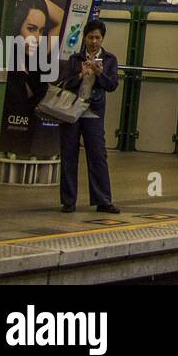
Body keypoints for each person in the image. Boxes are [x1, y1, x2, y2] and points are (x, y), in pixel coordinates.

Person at [58, 19, 120, 214]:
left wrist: (99, 74)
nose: (94, 42)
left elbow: (112, 85)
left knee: (98, 155)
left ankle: (103, 200)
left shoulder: (109, 60)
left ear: (102, 39)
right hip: (72, 111)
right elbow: (64, 83)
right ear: (84, 37)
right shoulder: (75, 59)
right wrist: (80, 75)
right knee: (69, 154)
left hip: (93, 111)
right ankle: (68, 201)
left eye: (98, 38)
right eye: (91, 37)